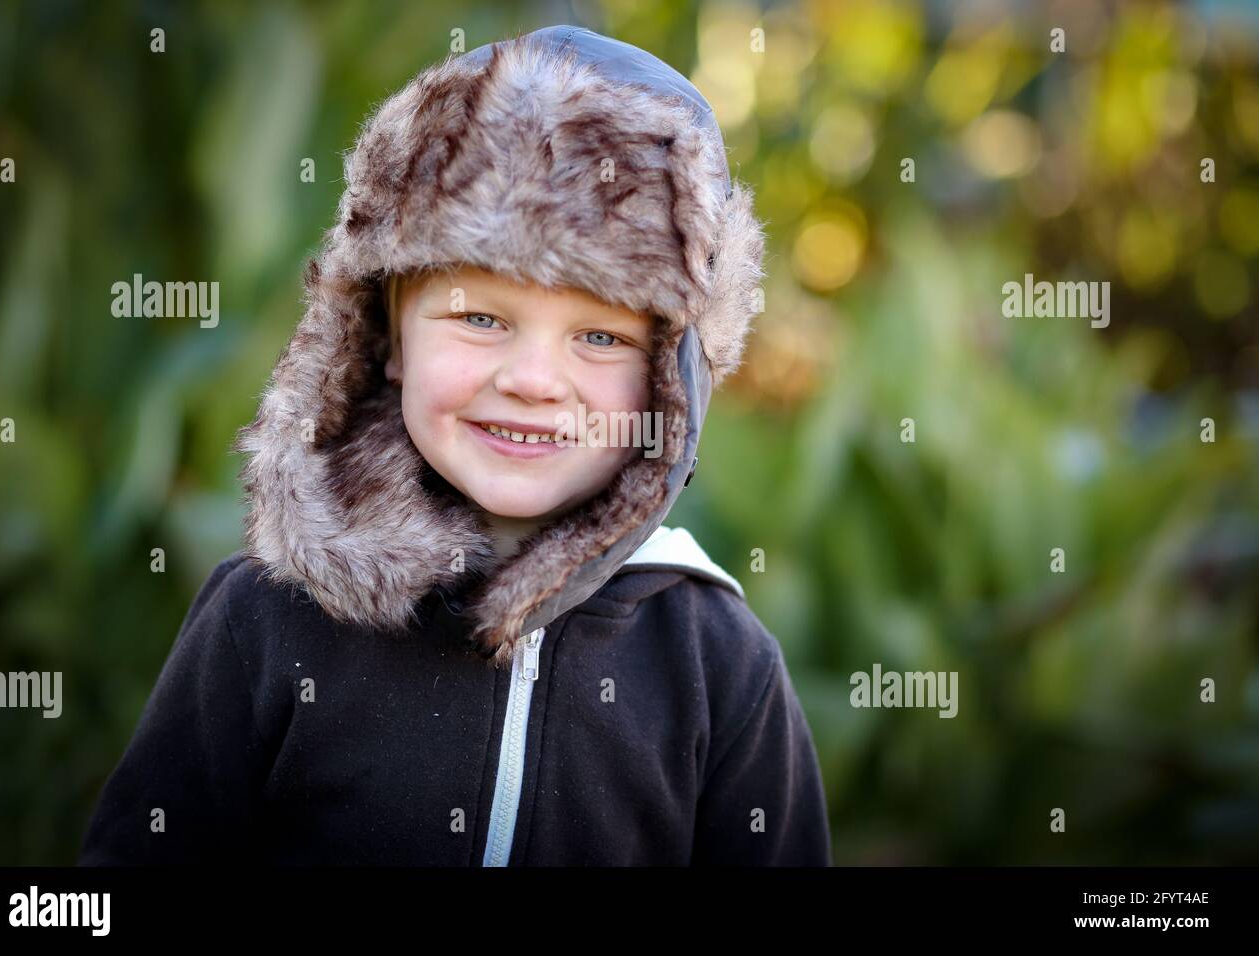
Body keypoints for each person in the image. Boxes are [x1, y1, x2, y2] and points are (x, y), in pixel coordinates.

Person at [78, 24, 831, 866]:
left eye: (601, 338)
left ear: (673, 380)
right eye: (480, 318)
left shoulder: (715, 663)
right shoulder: (269, 615)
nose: (534, 379)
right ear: (385, 338)